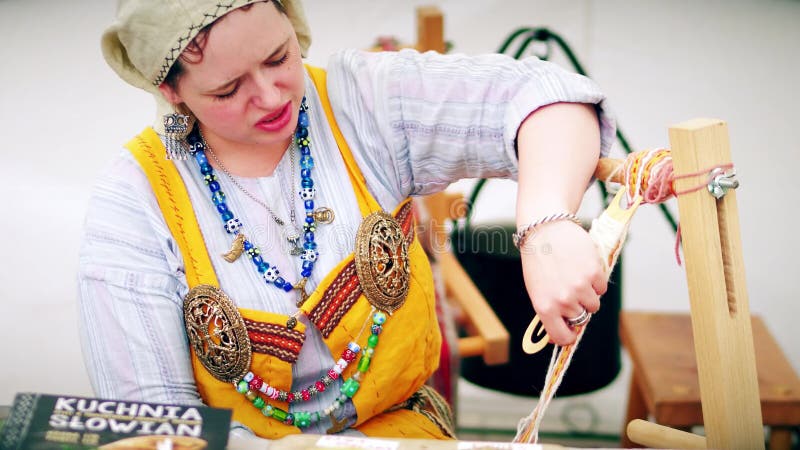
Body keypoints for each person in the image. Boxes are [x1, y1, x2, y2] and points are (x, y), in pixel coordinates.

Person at [79, 0, 615, 441]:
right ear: (171, 91)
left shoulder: (362, 101)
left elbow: (548, 96)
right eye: (227, 91)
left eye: (277, 57)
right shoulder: (133, 203)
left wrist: (545, 223)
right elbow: (153, 427)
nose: (270, 96)